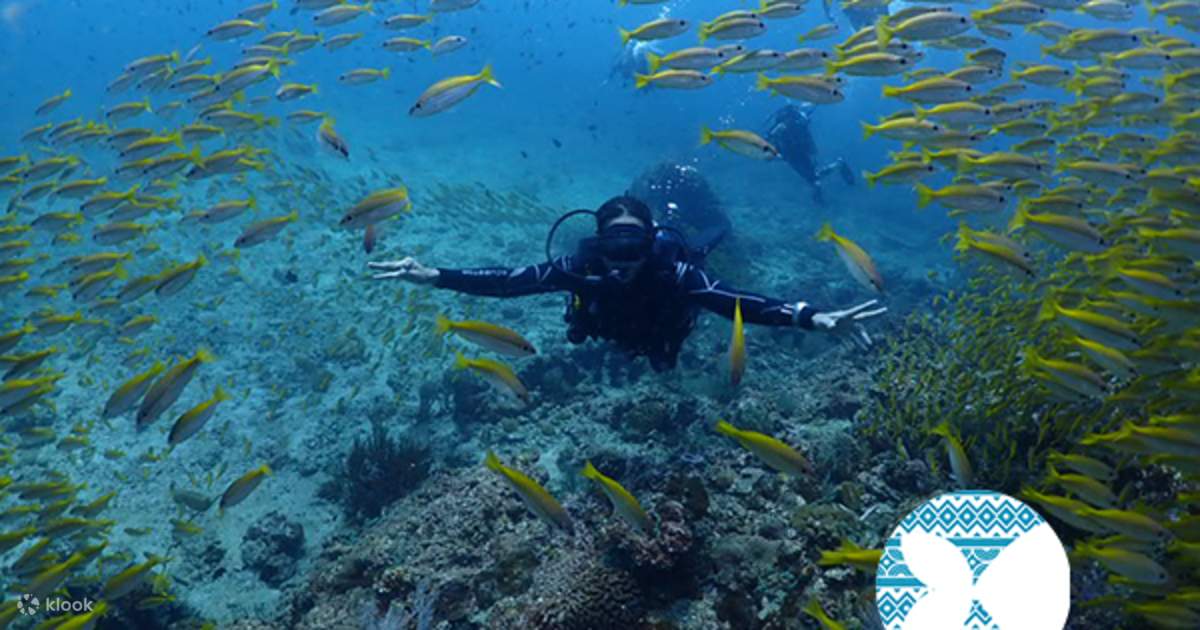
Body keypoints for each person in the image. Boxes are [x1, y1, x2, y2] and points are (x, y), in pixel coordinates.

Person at [369, 196, 885, 373]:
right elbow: (509, 282)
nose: (622, 260)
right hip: (610, 330)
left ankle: (710, 233)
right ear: (598, 243)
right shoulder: (581, 266)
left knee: (668, 351)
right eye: (614, 247)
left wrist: (811, 317)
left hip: (663, 328)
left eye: (633, 247)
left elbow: (737, 303)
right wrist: (435, 276)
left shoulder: (670, 270)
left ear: (649, 243)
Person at [764, 104, 855, 206]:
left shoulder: (782, 126)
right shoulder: (794, 123)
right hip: (796, 152)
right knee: (813, 176)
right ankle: (837, 166)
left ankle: (836, 167)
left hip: (795, 153)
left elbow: (768, 138)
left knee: (813, 177)